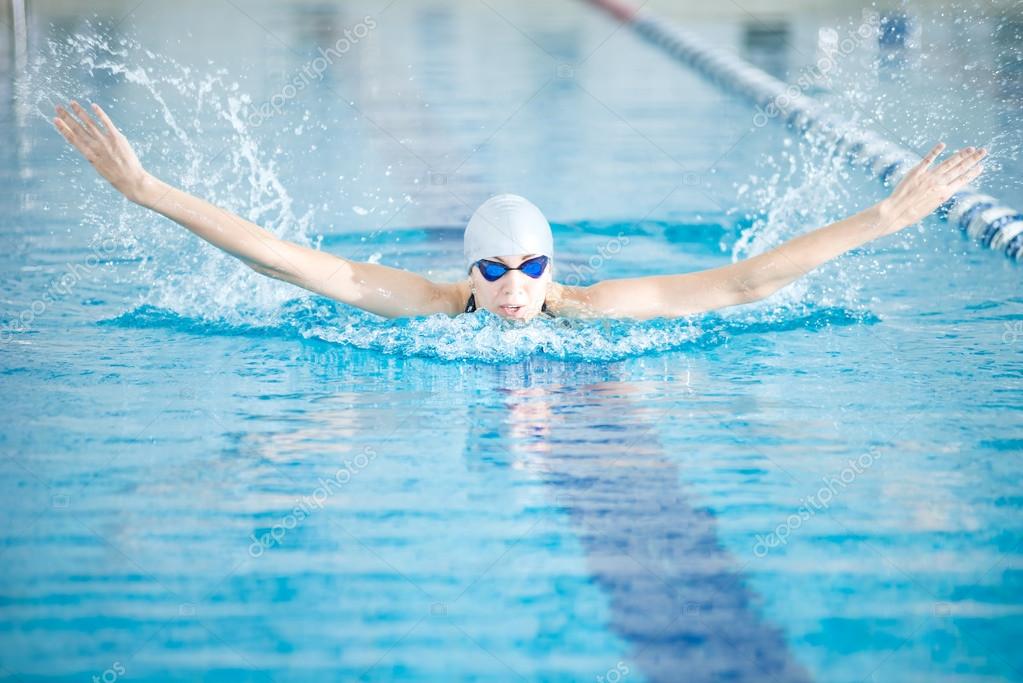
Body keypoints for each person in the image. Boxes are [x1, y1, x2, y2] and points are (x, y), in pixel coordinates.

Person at [52, 101, 987, 323]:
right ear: (469, 270)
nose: (511, 289)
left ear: (554, 266)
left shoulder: (597, 311)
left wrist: (888, 218)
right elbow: (291, 262)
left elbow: (746, 281)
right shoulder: (430, 309)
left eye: (528, 268)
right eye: (493, 270)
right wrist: (147, 191)